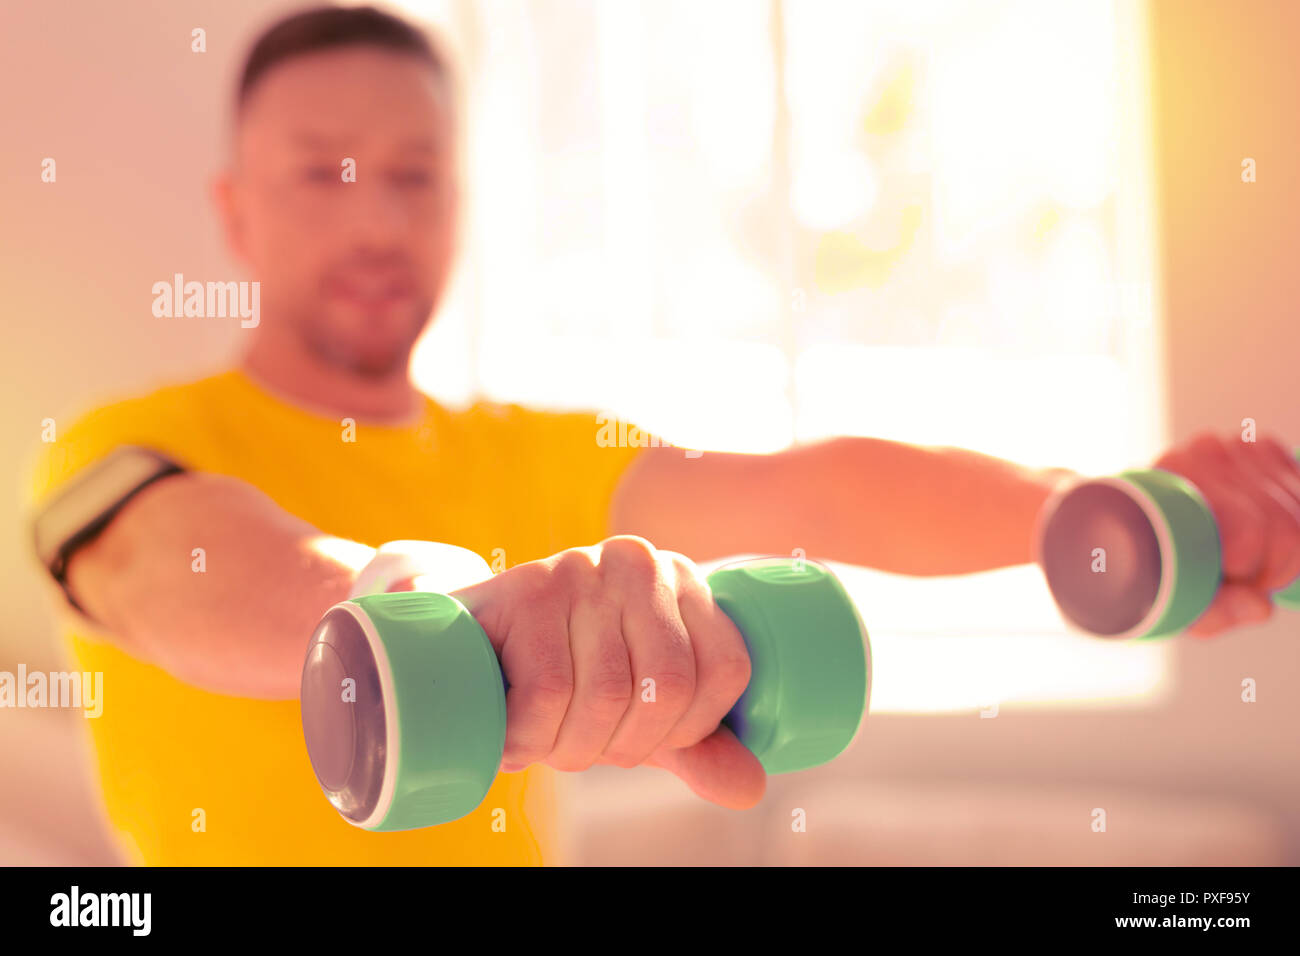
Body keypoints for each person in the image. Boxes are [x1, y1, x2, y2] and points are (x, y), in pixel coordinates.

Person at [27, 5, 1300, 866]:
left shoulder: (533, 453)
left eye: (414, 174)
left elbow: (822, 500)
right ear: (235, 212)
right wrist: (416, 613)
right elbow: (172, 564)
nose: (376, 220)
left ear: (460, 205)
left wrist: (1084, 511)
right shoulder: (123, 448)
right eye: (322, 171)